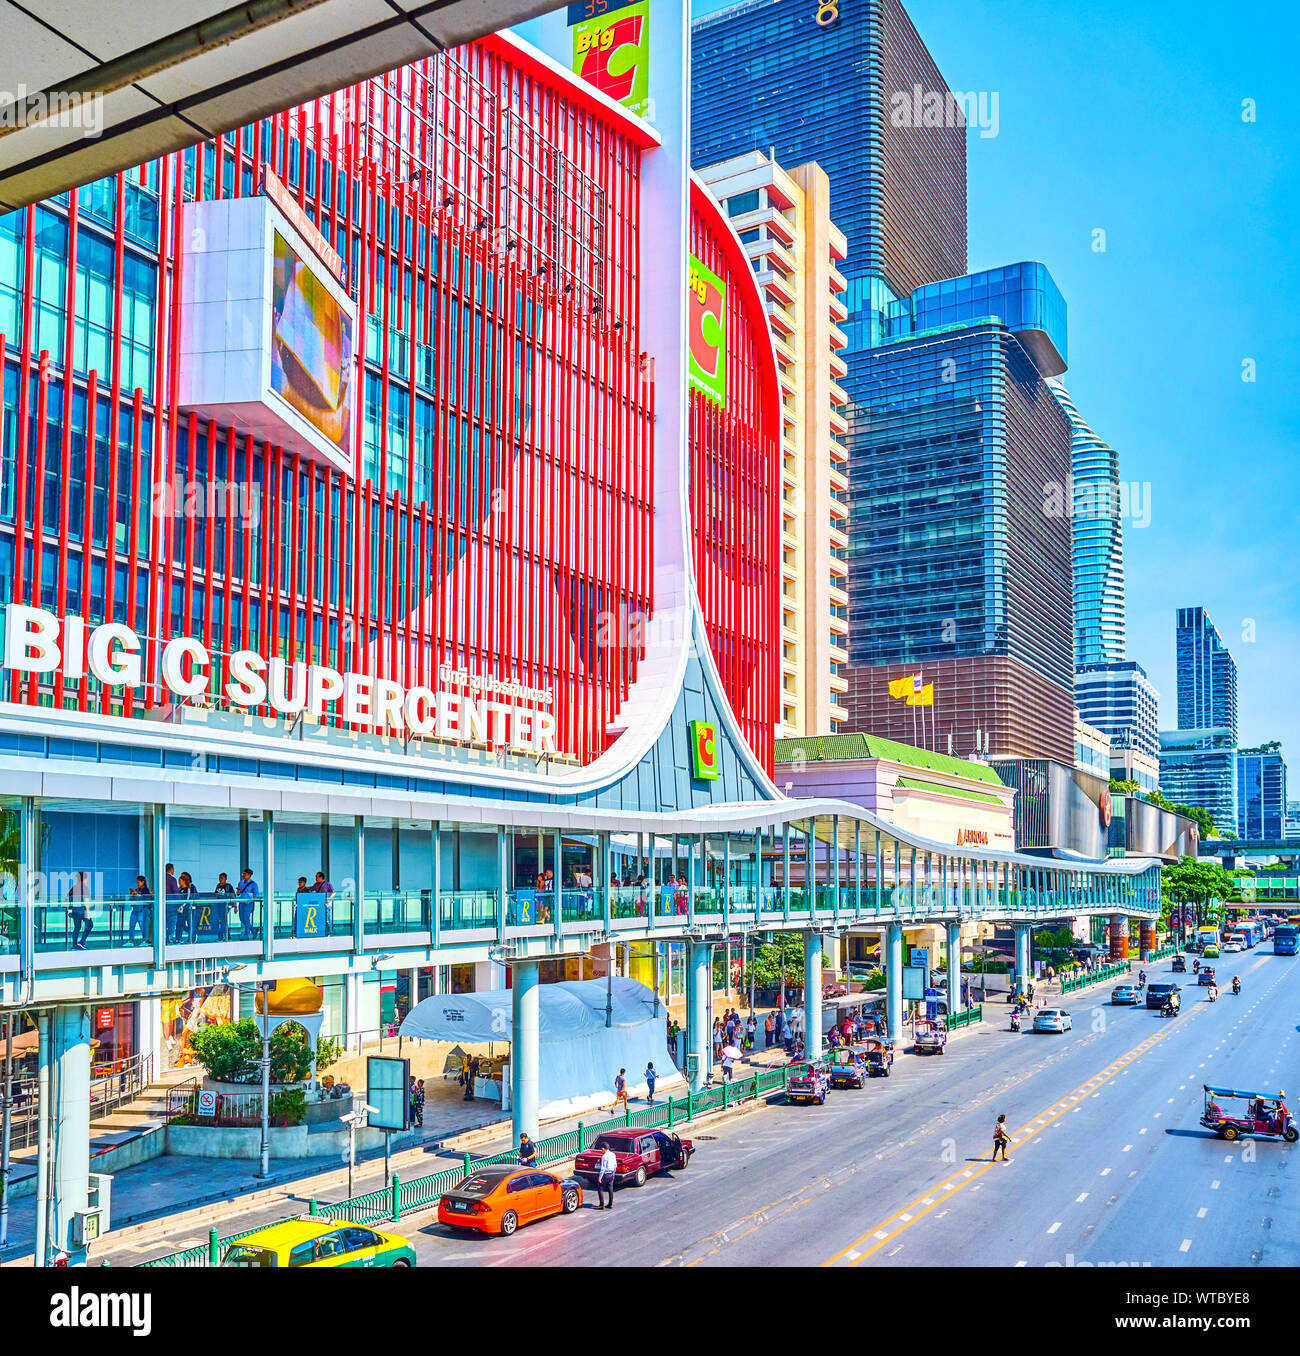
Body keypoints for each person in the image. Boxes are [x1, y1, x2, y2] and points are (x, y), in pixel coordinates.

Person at [66, 871, 93, 950]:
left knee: (77, 927)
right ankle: (82, 941)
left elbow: (67, 898)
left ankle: (75, 945)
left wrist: (70, 908)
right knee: (90, 925)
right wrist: (87, 912)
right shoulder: (85, 888)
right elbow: (86, 901)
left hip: (75, 911)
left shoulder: (74, 887)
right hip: (82, 911)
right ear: (84, 879)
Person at [128, 875, 152, 945]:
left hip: (142, 910)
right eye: (137, 882)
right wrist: (131, 895)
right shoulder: (137, 890)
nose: (137, 884)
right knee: (131, 925)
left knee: (143, 926)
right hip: (135, 910)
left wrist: (137, 894)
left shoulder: (145, 890)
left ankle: (145, 940)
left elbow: (145, 900)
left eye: (138, 882)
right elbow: (132, 901)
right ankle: (131, 940)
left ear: (143, 882)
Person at [212, 871, 236, 941]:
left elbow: (233, 895)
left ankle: (225, 936)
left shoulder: (228, 886)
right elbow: (215, 894)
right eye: (219, 878)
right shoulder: (218, 885)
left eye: (222, 878)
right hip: (218, 906)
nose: (220, 879)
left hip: (225, 906)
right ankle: (223, 936)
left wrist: (235, 906)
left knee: (223, 921)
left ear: (225, 878)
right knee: (221, 921)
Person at [595, 1141, 618, 1210]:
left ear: (604, 1148)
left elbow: (603, 1168)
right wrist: (614, 1172)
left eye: (601, 1149)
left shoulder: (604, 1156)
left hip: (605, 1175)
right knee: (610, 1189)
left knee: (600, 1188)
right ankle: (610, 1204)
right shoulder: (613, 1154)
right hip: (611, 1174)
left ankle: (601, 1204)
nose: (601, 1150)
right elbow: (615, 1164)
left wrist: (600, 1177)